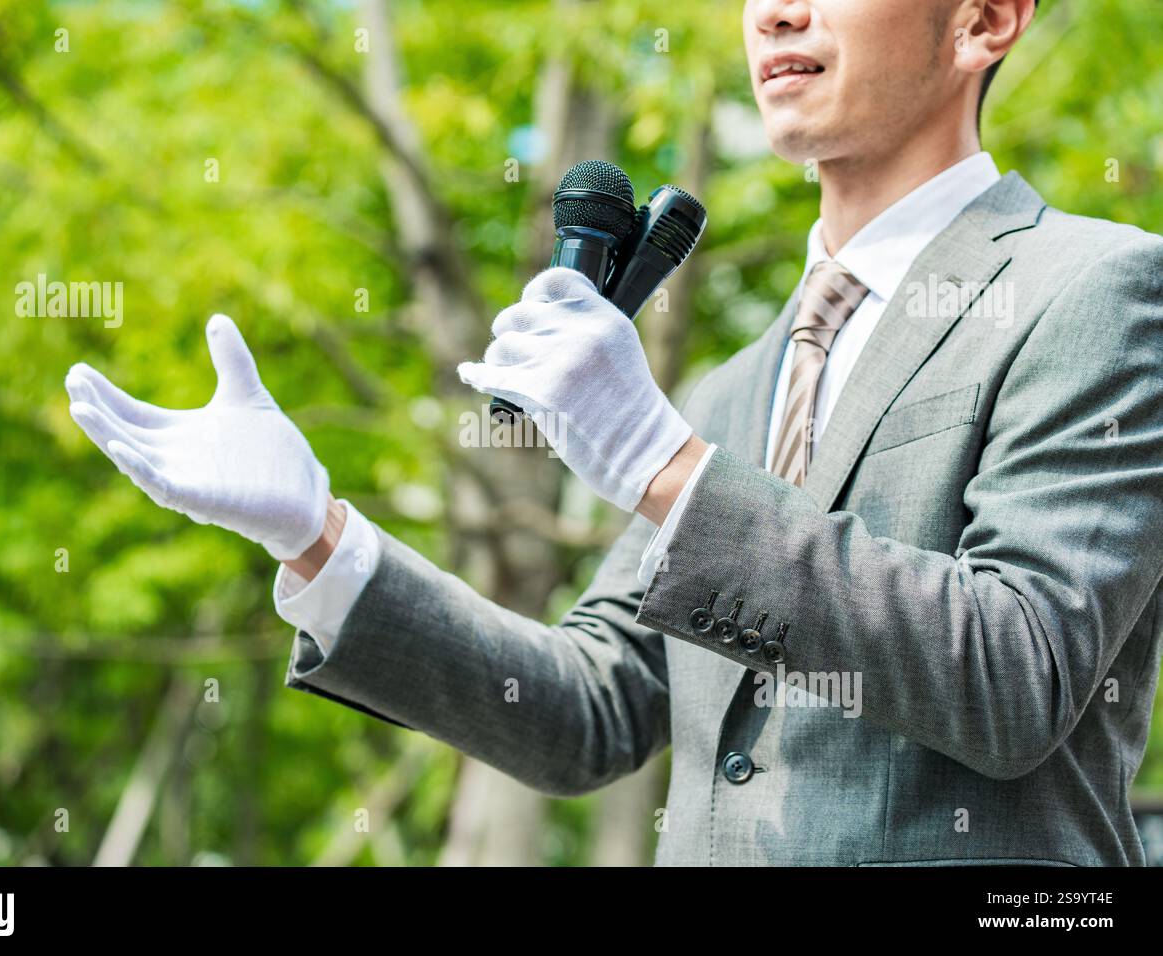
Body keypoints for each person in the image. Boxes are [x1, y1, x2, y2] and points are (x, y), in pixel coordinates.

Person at [65, 0, 1163, 865]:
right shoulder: (736, 387)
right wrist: (322, 539)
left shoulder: (1095, 289)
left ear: (985, 19)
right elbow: (587, 709)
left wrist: (666, 468)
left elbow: (1017, 671)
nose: (773, 12)